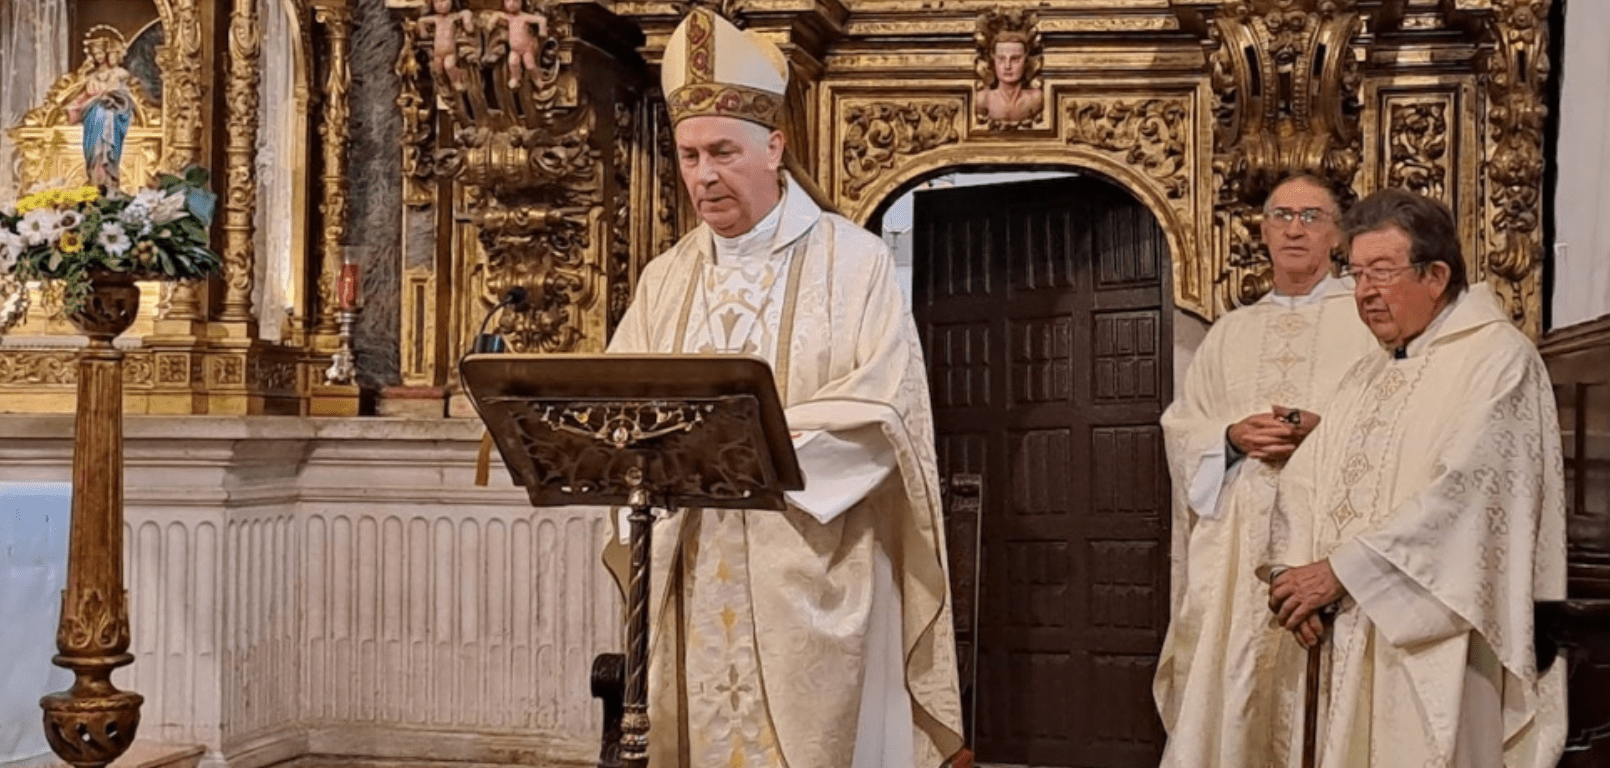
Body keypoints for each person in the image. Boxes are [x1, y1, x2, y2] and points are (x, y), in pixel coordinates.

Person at [601, 8, 964, 768]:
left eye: (724, 151)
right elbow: (616, 402)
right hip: (692, 571)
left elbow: (885, 411)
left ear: (775, 145)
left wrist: (746, 454)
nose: (703, 175)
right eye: (689, 153)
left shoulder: (854, 263)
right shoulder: (666, 279)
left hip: (810, 570)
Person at [1266, 188, 1567, 767]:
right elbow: (1305, 479)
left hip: (1437, 644)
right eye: (1355, 275)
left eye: (1382, 272)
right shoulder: (1367, 373)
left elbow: (1465, 499)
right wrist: (1292, 578)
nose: (1365, 293)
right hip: (1347, 629)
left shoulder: (1498, 361)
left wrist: (1339, 573)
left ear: (1435, 274)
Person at [1152, 174, 1377, 767]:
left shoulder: (1367, 324)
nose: (1294, 229)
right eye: (1282, 215)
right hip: (1238, 547)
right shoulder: (1230, 333)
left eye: (1311, 217)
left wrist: (1319, 432)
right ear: (1263, 229)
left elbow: (1389, 426)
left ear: (1336, 233)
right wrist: (1228, 437)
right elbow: (1182, 426)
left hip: (1326, 539)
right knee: (1237, 687)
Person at [66, 27, 136, 190]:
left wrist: (108, 98)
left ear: (108, 53)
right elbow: (79, 98)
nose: (98, 56)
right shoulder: (90, 77)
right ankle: (94, 175)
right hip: (92, 122)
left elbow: (125, 99)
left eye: (101, 53)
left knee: (103, 114)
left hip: (112, 120)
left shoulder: (119, 74)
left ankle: (109, 176)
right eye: (95, 53)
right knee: (96, 114)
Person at [975, 31, 1043, 125]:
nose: (1007, 66)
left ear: (1026, 62)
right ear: (993, 61)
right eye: (1001, 59)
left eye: (1015, 59)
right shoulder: (984, 99)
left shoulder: (1035, 99)